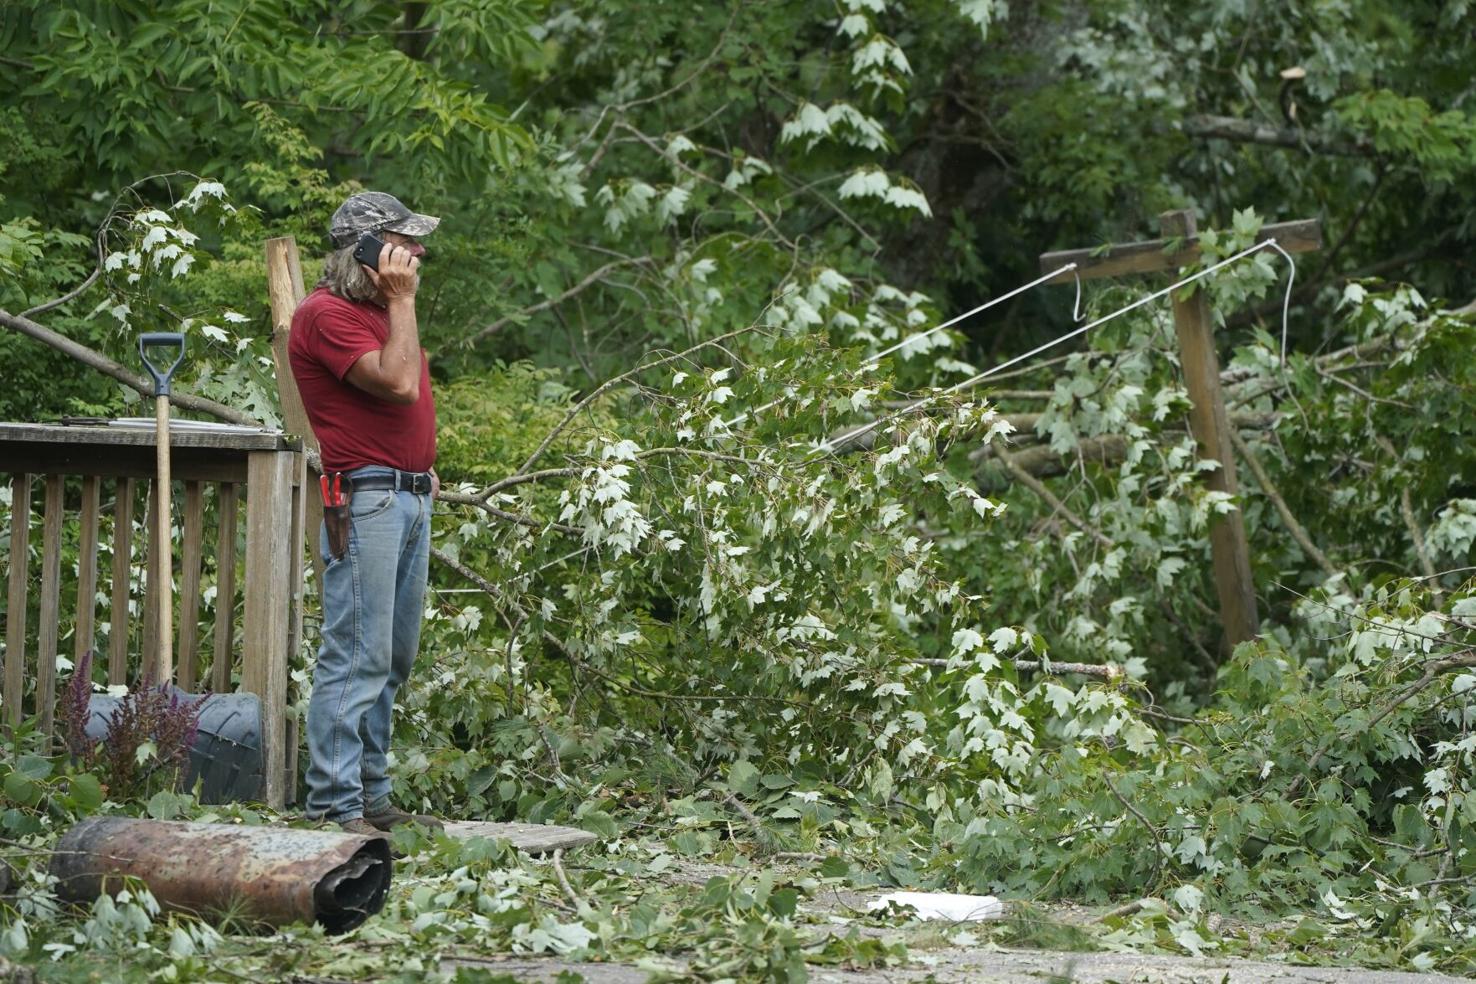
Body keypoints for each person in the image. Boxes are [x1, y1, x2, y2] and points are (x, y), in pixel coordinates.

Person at [288, 191, 444, 836]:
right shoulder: (325, 315)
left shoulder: (380, 314)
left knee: (394, 654)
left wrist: (423, 474)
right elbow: (398, 383)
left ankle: (371, 797)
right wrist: (404, 301)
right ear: (367, 251)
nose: (418, 254)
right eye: (404, 243)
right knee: (356, 653)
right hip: (368, 498)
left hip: (407, 495)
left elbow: (406, 399)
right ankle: (334, 803)